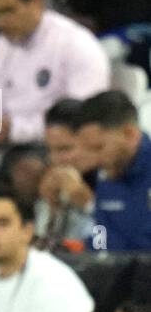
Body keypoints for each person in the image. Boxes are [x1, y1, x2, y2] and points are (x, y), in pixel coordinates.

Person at [0, 0, 110, 147]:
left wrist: (14, 130)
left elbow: (82, 122)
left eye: (8, 11)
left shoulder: (77, 45)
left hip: (62, 148)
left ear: (37, 0)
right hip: (6, 148)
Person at [85, 89, 151, 251]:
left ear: (130, 134)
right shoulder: (107, 174)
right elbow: (100, 236)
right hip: (113, 273)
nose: (94, 159)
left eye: (99, 147)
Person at [36, 98, 97, 248]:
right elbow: (43, 247)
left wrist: (88, 203)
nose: (56, 159)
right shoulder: (51, 178)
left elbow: (112, 242)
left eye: (65, 149)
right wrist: (52, 209)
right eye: (50, 150)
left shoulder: (112, 175)